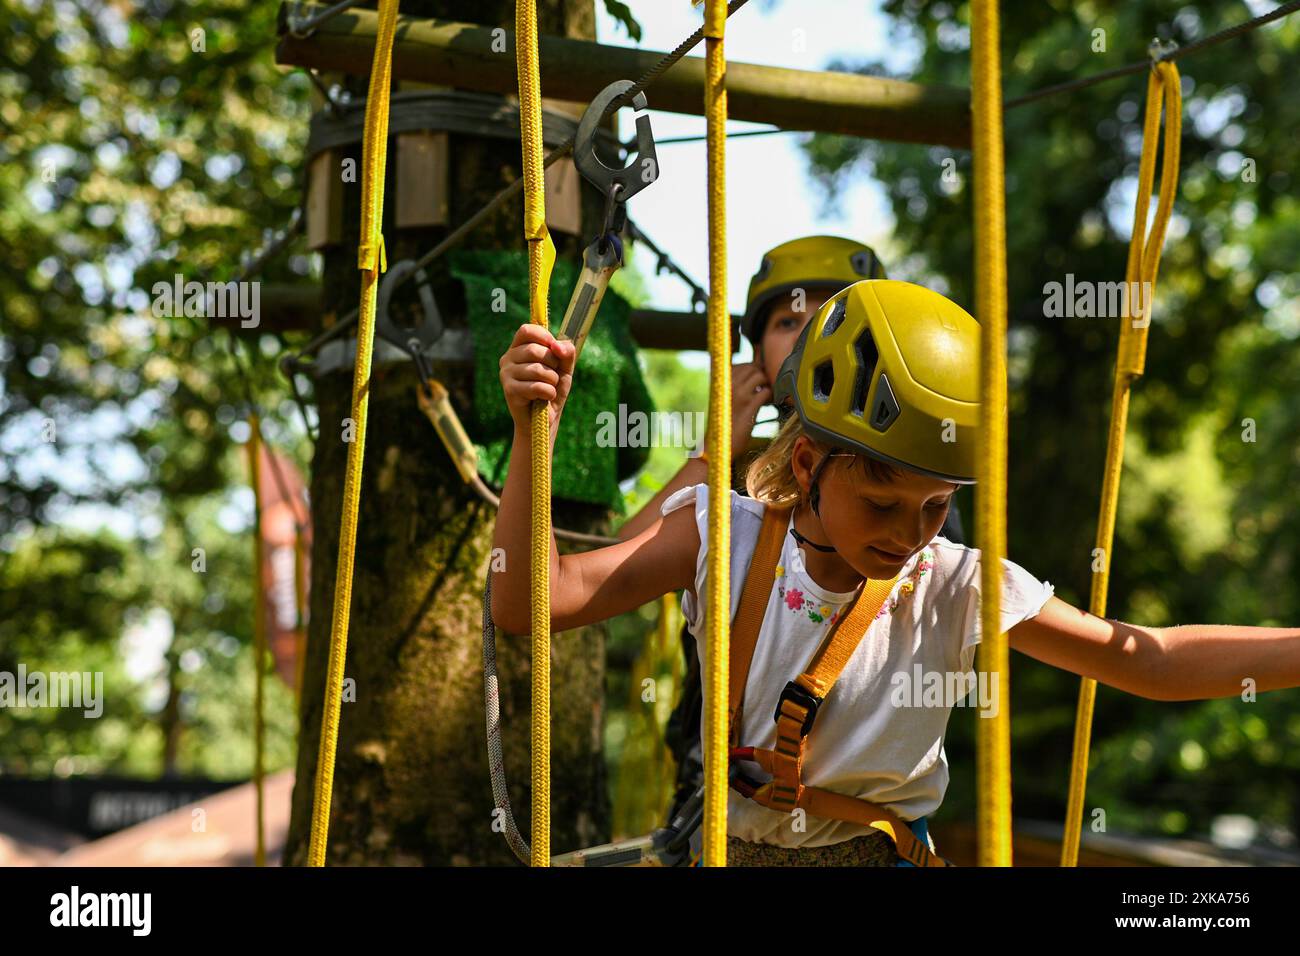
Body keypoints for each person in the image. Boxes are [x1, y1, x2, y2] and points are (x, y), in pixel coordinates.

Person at [490, 279, 1300, 865]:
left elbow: (1145, 660)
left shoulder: (955, 583)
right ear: (807, 461)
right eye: (881, 504)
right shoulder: (719, 539)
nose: (910, 534)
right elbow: (532, 602)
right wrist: (535, 434)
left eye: (934, 507)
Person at [616, 238, 966, 817]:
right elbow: (620, 562)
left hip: (859, 793)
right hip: (727, 788)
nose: (819, 340)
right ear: (755, 354)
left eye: (835, 317)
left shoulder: (916, 486)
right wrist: (711, 451)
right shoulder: (726, 475)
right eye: (789, 321)